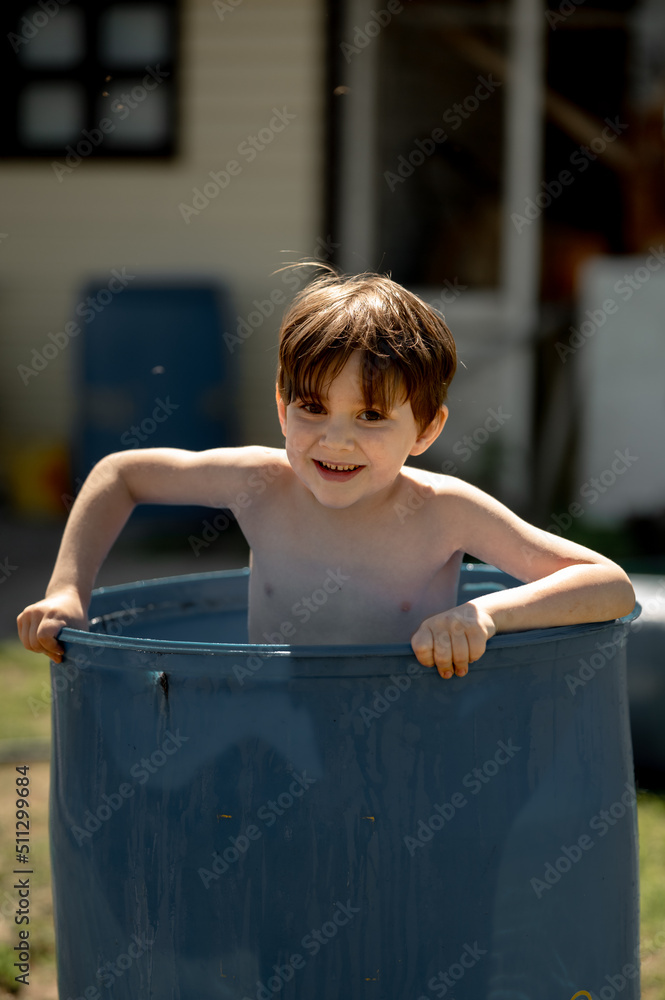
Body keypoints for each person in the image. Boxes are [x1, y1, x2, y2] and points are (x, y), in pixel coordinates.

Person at [17, 267, 635, 678]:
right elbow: (120, 473)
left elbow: (608, 585)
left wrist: (484, 614)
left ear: (425, 430)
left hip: (402, 729)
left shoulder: (444, 511)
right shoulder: (259, 483)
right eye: (313, 408)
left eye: (370, 416)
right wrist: (68, 588)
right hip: (276, 713)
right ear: (282, 408)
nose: (335, 439)